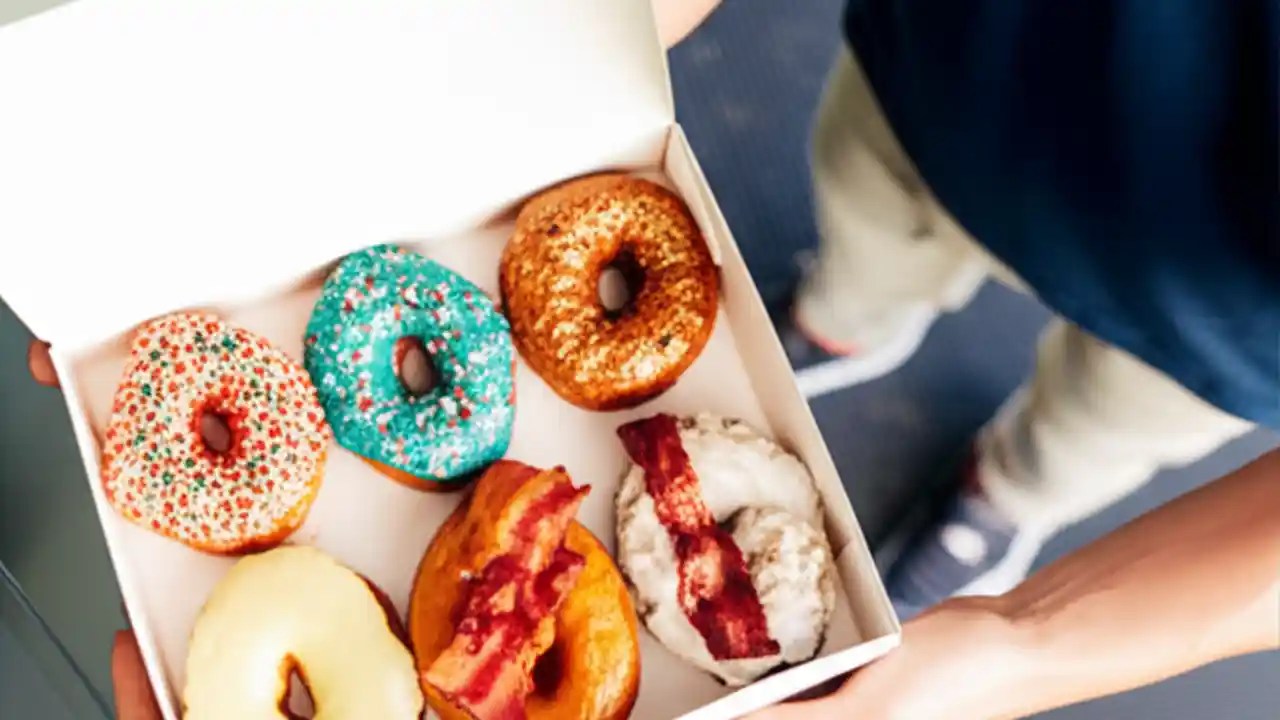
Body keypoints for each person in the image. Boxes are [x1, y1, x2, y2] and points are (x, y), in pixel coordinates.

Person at [21, 1, 1280, 717]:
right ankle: (841, 324)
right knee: (868, 232)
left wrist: (1021, 638)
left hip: (1202, 332)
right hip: (951, 70)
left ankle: (1006, 488)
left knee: (1096, 425)